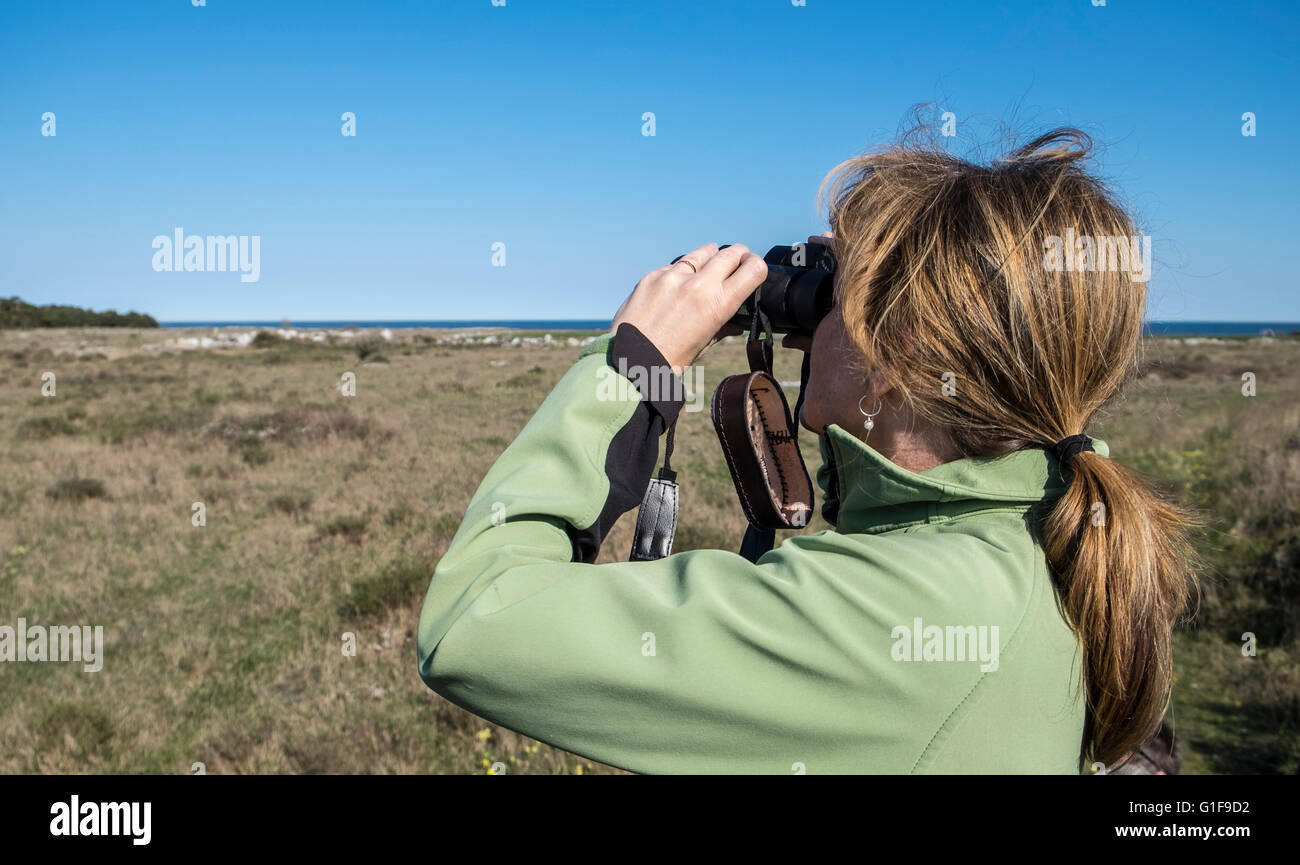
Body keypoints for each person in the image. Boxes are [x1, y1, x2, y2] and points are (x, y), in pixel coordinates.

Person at [416, 129, 1198, 774]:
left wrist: (637, 366)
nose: (815, 313)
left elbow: (472, 621)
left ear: (900, 356)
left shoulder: (893, 613)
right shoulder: (1048, 528)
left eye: (837, 291)